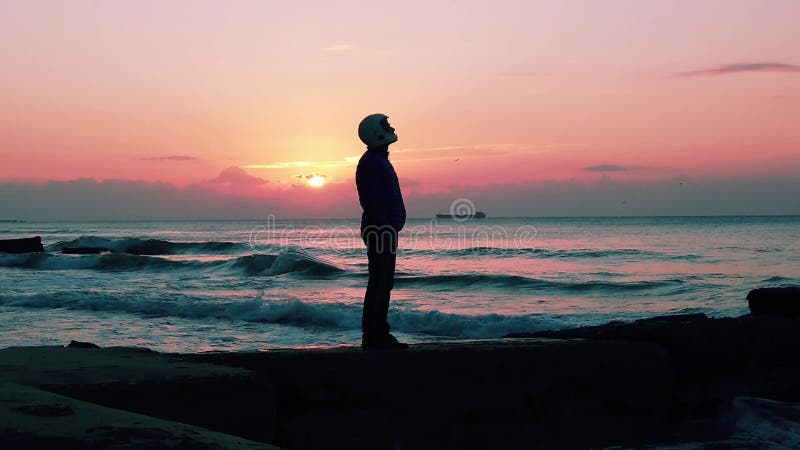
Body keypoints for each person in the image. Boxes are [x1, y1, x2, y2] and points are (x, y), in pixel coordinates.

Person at [355, 113, 408, 350]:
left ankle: (377, 333)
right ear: (376, 132)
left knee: (383, 281)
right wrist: (385, 225)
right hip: (380, 229)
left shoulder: (377, 161)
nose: (391, 128)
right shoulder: (372, 163)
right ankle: (375, 335)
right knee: (380, 281)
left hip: (383, 228)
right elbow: (371, 200)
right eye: (386, 126)